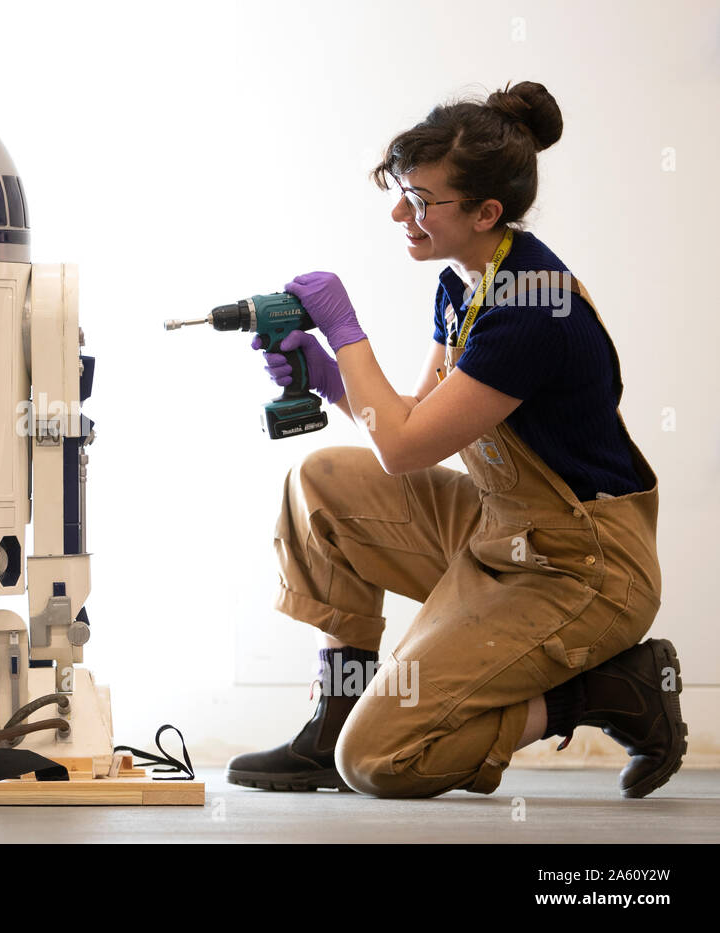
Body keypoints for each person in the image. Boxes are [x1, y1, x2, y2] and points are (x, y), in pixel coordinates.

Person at [225, 81, 686, 799]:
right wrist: (327, 377)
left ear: (485, 212)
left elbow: (406, 448)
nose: (399, 212)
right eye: (401, 190)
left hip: (579, 566)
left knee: (380, 758)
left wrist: (345, 334)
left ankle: (603, 692)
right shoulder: (465, 283)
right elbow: (415, 420)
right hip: (500, 528)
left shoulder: (535, 308)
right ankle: (336, 712)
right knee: (321, 484)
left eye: (419, 198)